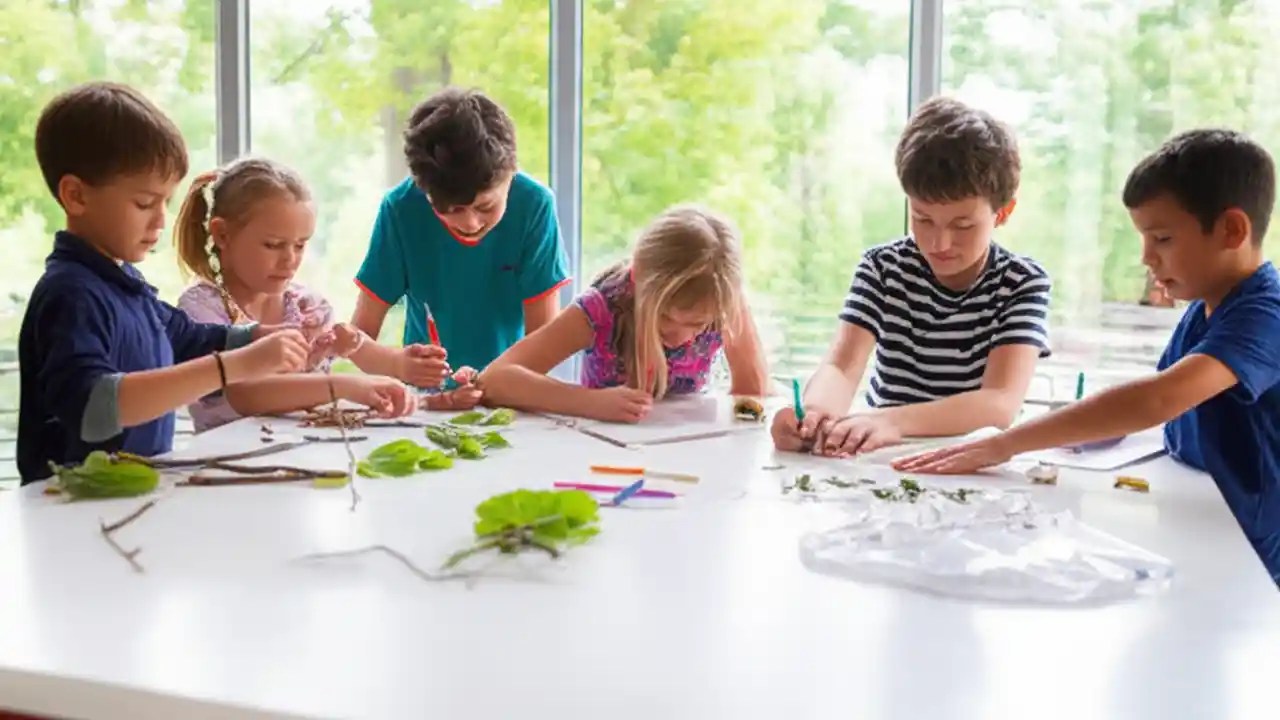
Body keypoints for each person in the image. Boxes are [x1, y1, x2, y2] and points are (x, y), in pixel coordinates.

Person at [894, 129, 1280, 583]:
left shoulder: (1264, 315)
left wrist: (1004, 444)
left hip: (1256, 555)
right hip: (1210, 527)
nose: (1146, 258)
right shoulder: (1207, 306)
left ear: (1232, 230)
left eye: (1162, 238)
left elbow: (1157, 399)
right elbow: (1180, 420)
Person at [18, 82, 308, 483]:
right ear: (76, 196)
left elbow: (184, 337)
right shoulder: (71, 293)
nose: (159, 220)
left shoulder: (124, 283)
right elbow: (94, 407)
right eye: (144, 203)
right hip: (69, 509)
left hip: (125, 498)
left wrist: (255, 336)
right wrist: (232, 366)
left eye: (165, 203)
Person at [772, 96, 1051, 457]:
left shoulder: (1022, 283)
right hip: (881, 457)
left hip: (970, 459)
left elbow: (999, 404)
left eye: (962, 224)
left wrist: (890, 422)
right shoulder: (882, 268)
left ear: (1003, 212)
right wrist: (814, 414)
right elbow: (842, 367)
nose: (939, 242)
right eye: (922, 218)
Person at [173, 158, 481, 432]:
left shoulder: (308, 307)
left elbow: (349, 359)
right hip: (224, 464)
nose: (289, 260)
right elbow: (245, 392)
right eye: (273, 245)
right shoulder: (202, 311)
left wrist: (413, 380)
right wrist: (345, 386)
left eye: (300, 245)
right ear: (222, 235)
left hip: (303, 460)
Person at [350, 87, 570, 374]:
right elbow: (359, 337)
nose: (470, 224)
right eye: (450, 210)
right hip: (425, 403)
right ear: (422, 187)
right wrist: (398, 367)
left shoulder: (534, 206)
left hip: (512, 394)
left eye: (486, 207)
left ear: (510, 173)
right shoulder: (400, 209)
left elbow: (544, 343)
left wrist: (494, 386)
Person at [479, 206, 768, 422]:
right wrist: (591, 403)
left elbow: (752, 394)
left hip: (687, 451)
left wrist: (741, 422)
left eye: (697, 325)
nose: (679, 337)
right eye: (664, 317)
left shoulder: (722, 302)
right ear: (636, 279)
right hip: (603, 453)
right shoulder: (601, 311)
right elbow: (495, 380)